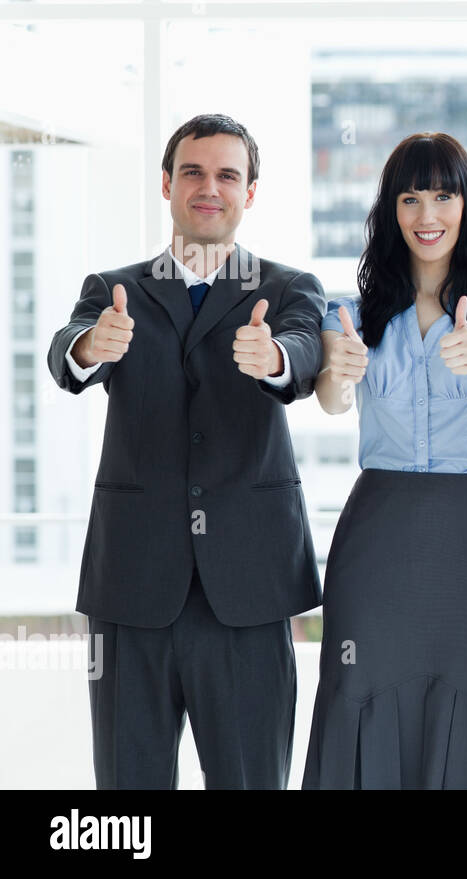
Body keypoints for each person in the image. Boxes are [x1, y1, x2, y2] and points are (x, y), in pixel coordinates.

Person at [47, 113, 325, 789]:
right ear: (167, 184)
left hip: (247, 591)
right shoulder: (114, 288)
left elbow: (306, 354)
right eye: (193, 172)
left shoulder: (287, 288)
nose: (210, 187)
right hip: (132, 587)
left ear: (250, 192)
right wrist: (91, 347)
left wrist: (275, 358)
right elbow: (68, 349)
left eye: (228, 174)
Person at [301, 132, 467, 790]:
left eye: (442, 195)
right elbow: (330, 398)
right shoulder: (347, 312)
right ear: (390, 211)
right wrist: (338, 371)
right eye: (410, 198)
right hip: (378, 541)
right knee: (360, 693)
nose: (427, 215)